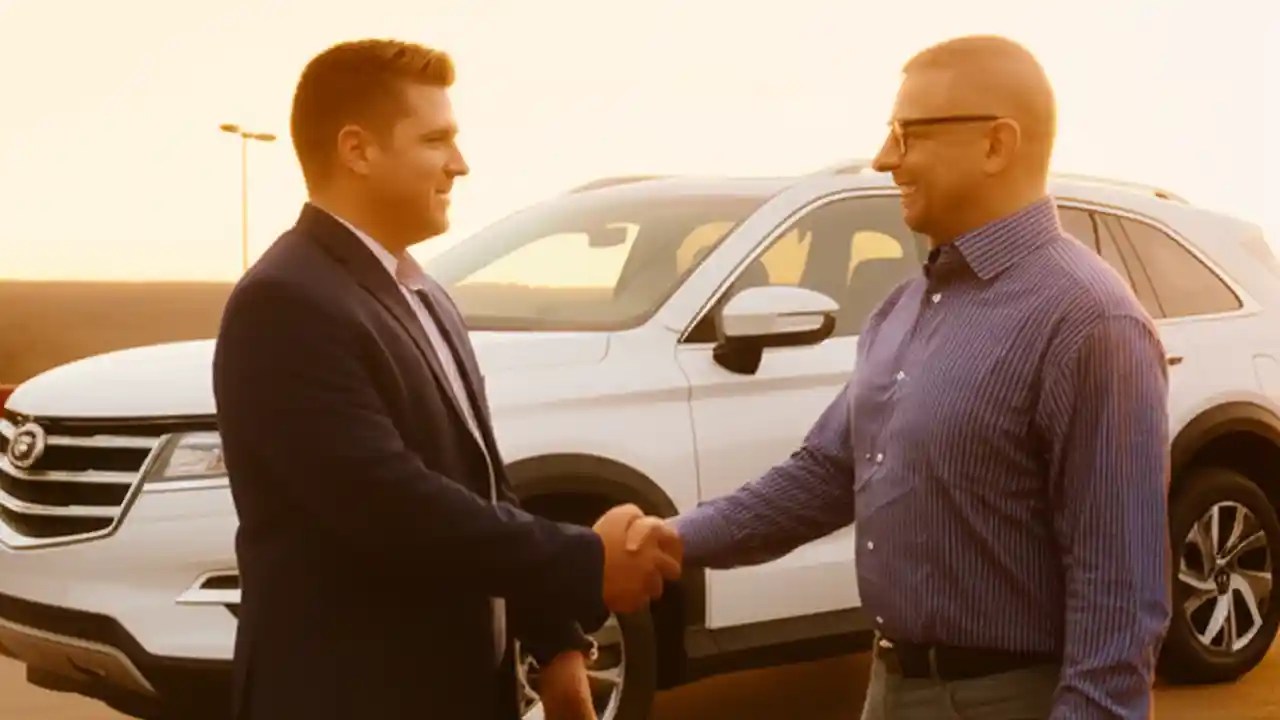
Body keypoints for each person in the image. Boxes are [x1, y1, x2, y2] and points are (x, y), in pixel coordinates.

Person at [668, 35, 1171, 719]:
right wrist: (671, 540)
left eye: (908, 133)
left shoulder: (1090, 321)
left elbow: (1119, 602)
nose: (884, 158)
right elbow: (825, 474)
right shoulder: (902, 309)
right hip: (891, 691)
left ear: (997, 145)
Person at [212, 39, 680, 720]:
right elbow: (390, 505)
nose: (460, 164)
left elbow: (485, 483)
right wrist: (585, 562)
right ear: (357, 150)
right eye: (437, 140)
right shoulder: (284, 302)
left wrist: (557, 647)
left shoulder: (423, 294)